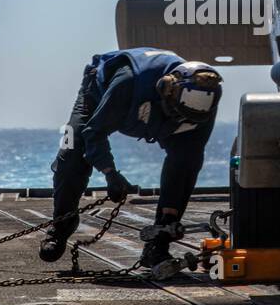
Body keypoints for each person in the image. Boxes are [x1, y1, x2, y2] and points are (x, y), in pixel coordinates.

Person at [42, 48, 222, 271]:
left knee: (186, 162)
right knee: (71, 156)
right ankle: (60, 226)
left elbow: (189, 159)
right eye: (176, 113)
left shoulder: (203, 104)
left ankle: (158, 242)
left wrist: (169, 222)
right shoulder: (129, 82)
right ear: (165, 90)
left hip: (153, 114)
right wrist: (110, 173)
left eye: (185, 117)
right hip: (98, 95)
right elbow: (94, 133)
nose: (178, 120)